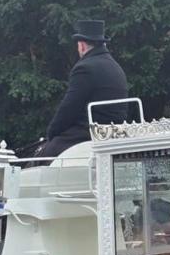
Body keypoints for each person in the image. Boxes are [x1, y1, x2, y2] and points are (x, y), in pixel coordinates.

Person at [40, 19, 128, 159]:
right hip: (115, 132)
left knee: (43, 155)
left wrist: (52, 133)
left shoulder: (85, 67)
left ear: (81, 45)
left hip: (89, 132)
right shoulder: (116, 67)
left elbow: (69, 108)